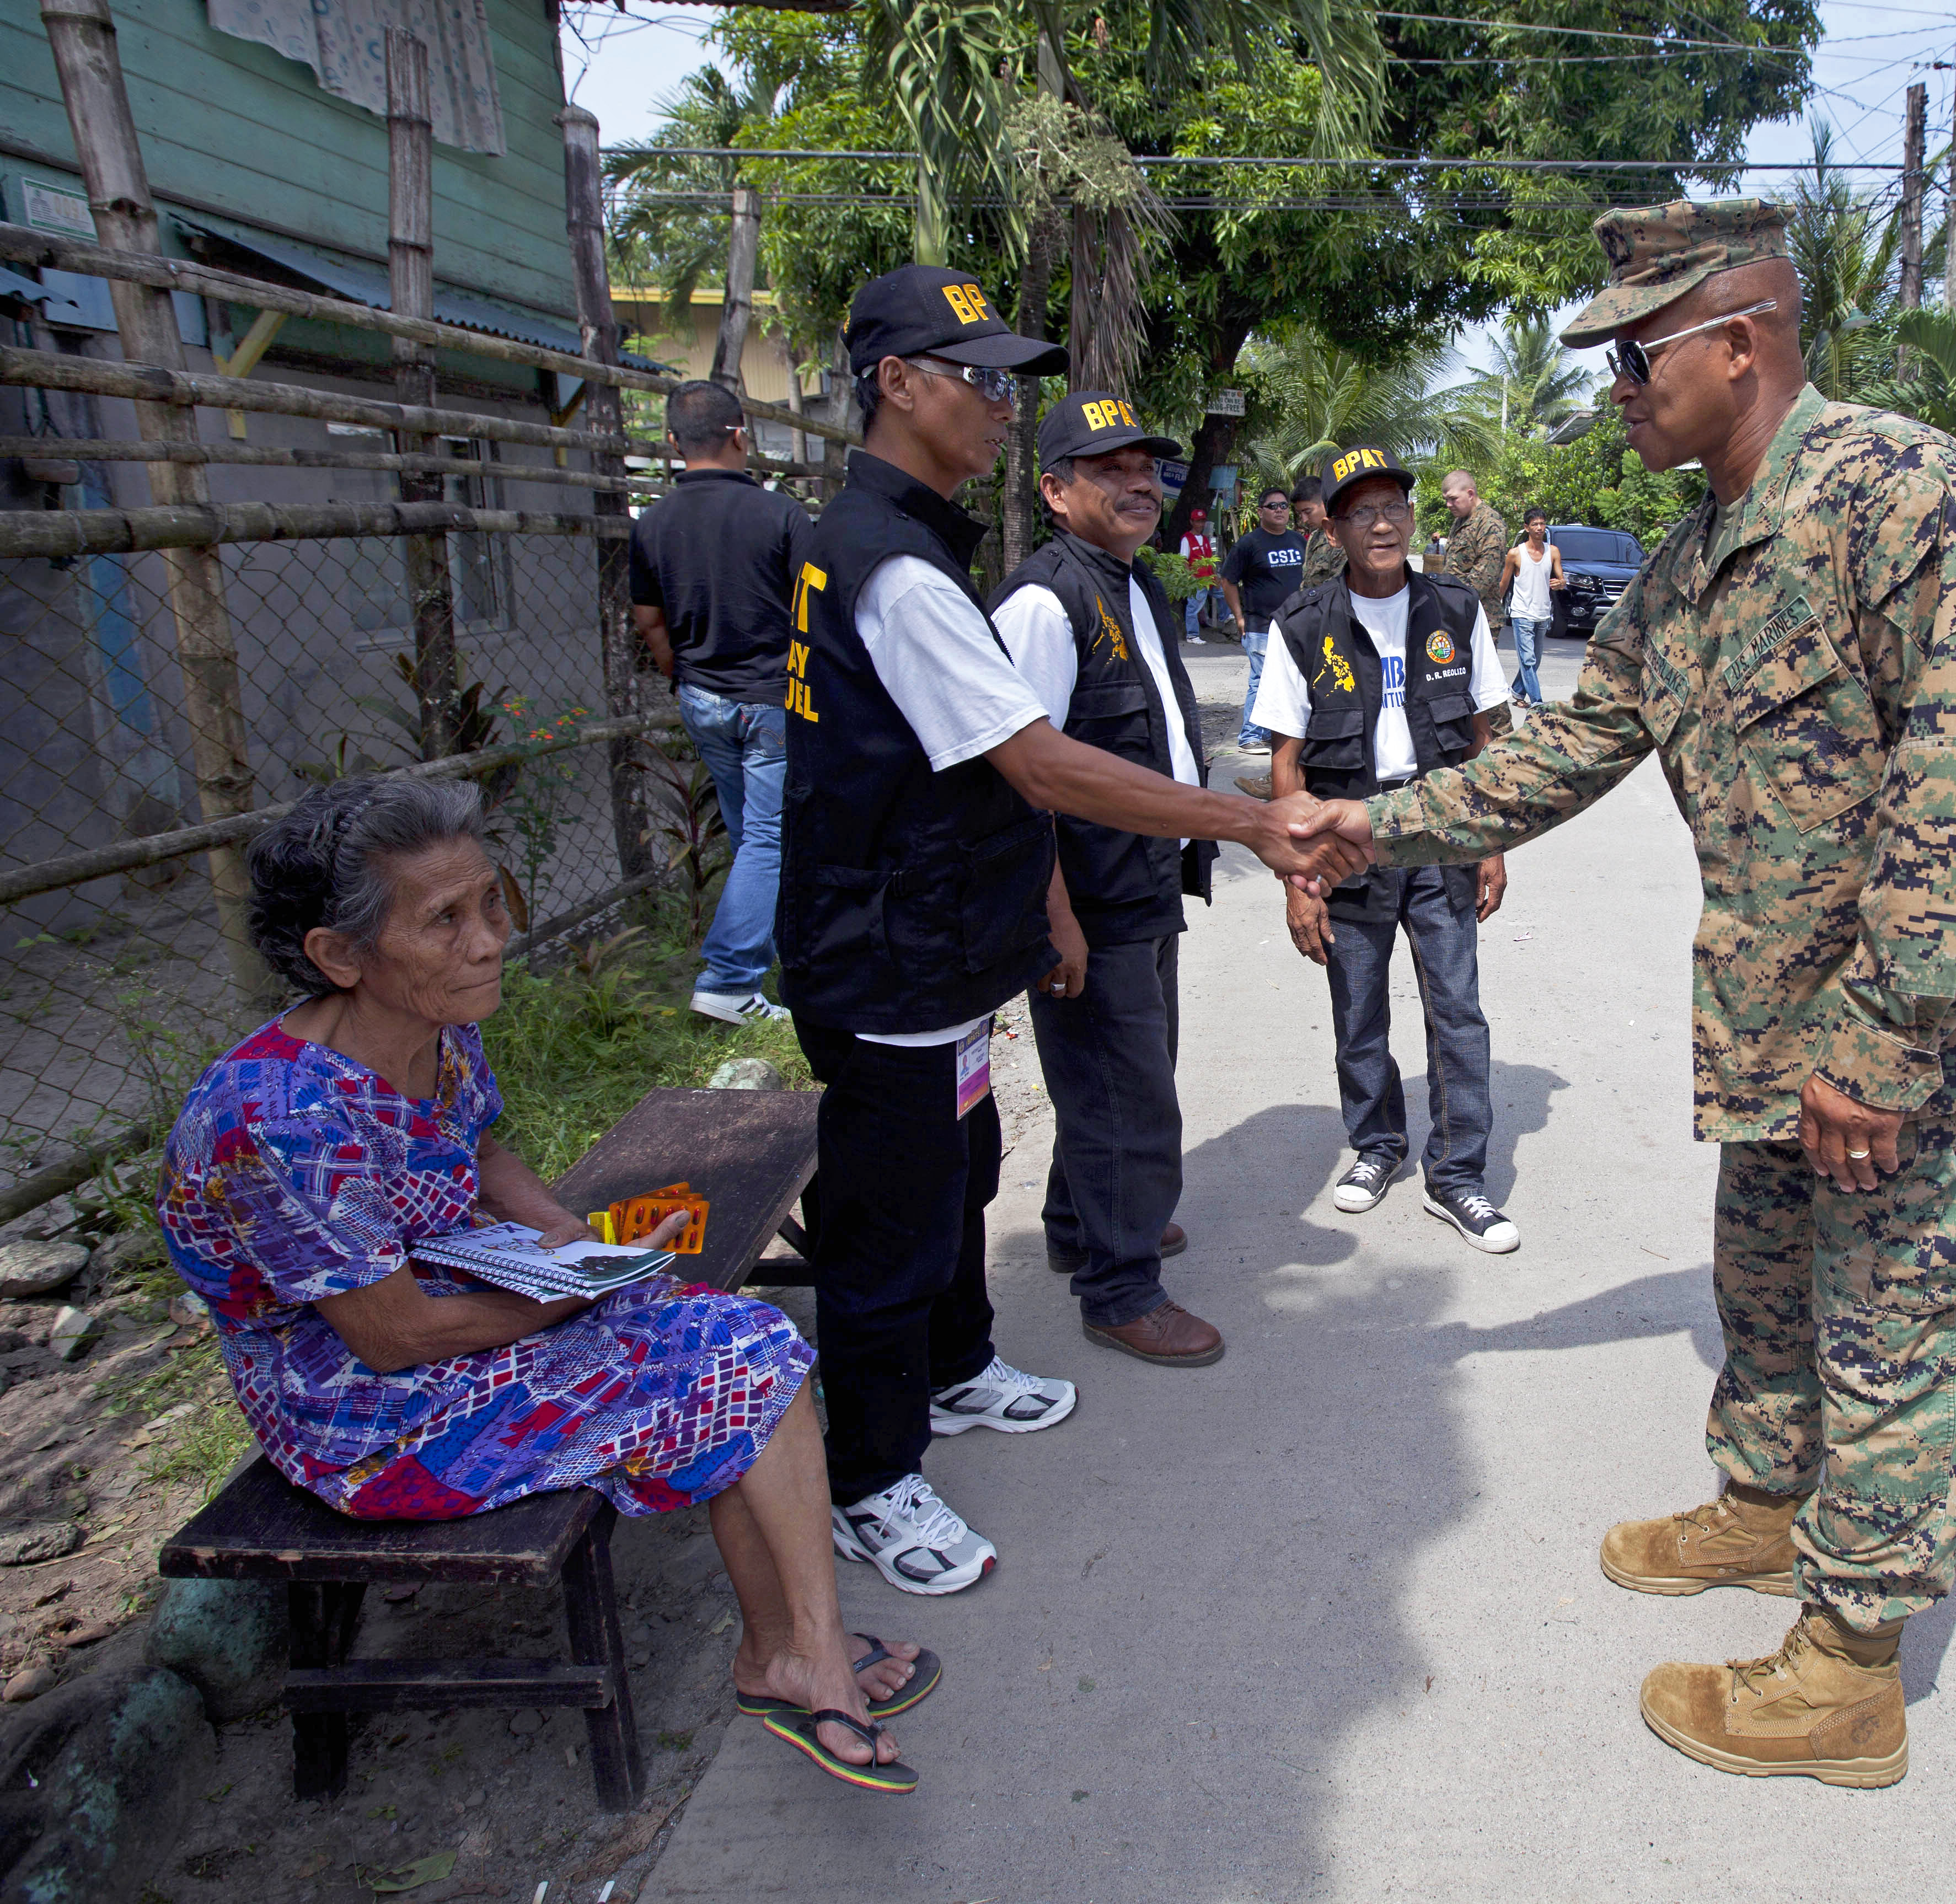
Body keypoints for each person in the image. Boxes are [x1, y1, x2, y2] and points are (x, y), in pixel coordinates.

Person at [1294, 199, 1956, 1787]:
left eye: (1634, 357)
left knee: (1897, 1338)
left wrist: (1877, 1035)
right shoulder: (1692, 554)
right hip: (1782, 1033)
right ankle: (1763, 1506)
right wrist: (1367, 821)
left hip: (1916, 1044)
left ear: (1742, 338)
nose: (1612, 391)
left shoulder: (1910, 494)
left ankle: (1847, 1670)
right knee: (1771, 1299)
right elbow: (1567, 748)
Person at [156, 778, 934, 1793]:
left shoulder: (431, 1019)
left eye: (490, 902)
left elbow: (478, 1142)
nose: (488, 939)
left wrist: (567, 1237)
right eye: (445, 919)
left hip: (442, 1311)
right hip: (361, 1414)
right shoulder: (276, 1119)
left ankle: (788, 1647)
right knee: (742, 1347)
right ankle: (799, 1655)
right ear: (339, 955)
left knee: (727, 1333)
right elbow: (394, 1338)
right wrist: (568, 1294)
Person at [776, 266, 1365, 1597]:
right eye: (976, 379)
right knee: (889, 1226)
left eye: (1005, 381)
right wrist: (1253, 825)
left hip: (931, 951)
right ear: (898, 384)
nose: (998, 404)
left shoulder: (895, 543)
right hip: (889, 960)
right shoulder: (901, 571)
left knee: (964, 1161)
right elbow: (1038, 766)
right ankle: (870, 1477)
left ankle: (959, 1363)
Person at [992, 392, 1223, 1367]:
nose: (1138, 483)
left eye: (1146, 467)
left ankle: (1076, 1220)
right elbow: (1018, 782)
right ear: (1054, 490)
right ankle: (1119, 1284)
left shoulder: (1134, 584)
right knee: (1128, 1095)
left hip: (1142, 882)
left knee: (1116, 1075)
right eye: (1108, 468)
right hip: (1086, 897)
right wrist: (1056, 923)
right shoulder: (1045, 602)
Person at [1251, 445, 1518, 1249]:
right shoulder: (1302, 625)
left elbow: (1483, 736)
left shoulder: (1454, 606)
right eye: (1361, 511)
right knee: (1357, 1010)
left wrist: (1493, 843)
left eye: (1394, 507)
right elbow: (1285, 765)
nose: (1382, 523)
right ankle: (1375, 1145)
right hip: (1347, 845)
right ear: (1331, 530)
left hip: (1439, 834)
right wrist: (1299, 878)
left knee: (1457, 1011)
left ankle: (1458, 1175)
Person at [630, 379, 810, 1026]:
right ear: (742, 434)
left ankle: (783, 973)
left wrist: (683, 675)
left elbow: (650, 622)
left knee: (752, 840)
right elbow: (815, 613)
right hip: (772, 700)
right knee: (769, 837)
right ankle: (730, 978)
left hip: (701, 696)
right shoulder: (780, 515)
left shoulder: (651, 523)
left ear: (674, 443)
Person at [1219, 486, 1306, 756]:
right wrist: (1240, 617)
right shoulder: (1249, 544)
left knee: (1290, 681)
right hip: (1261, 626)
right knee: (1262, 680)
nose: (1279, 510)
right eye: (1273, 506)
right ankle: (1250, 736)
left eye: (1283, 506)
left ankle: (1272, 733)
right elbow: (1228, 580)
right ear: (1260, 512)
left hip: (1296, 625)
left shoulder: (1299, 541)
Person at [1497, 507, 1563, 708]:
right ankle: (1537, 702)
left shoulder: (1553, 551)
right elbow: (1504, 584)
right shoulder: (1515, 554)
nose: (1539, 528)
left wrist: (1561, 583)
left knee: (1535, 661)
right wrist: (1493, 609)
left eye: (1542, 524)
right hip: (1522, 614)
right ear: (1527, 528)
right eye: (1535, 524)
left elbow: (1561, 579)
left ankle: (1517, 691)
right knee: (1528, 660)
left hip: (1543, 614)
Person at [1440, 469, 1508, 647]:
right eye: (1446, 500)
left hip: (1480, 618)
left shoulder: (1490, 523)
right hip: (1457, 614)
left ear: (1470, 494)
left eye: (1453, 499)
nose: (1448, 504)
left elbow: (1484, 576)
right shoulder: (1461, 520)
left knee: (1480, 675)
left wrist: (1453, 604)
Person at [1294, 475, 1345, 587]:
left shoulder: (1342, 536)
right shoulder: (1314, 536)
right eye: (1300, 514)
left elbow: (1337, 584)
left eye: (1308, 512)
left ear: (1324, 503)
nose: (1304, 520)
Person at [1178, 505, 1219, 642]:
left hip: (1209, 579)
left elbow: (1210, 560)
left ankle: (1228, 617)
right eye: (1198, 521)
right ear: (1192, 522)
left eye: (1202, 521)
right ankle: (1192, 635)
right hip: (1197, 580)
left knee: (1224, 595)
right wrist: (1191, 578)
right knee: (1194, 607)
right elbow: (1184, 560)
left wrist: (1216, 575)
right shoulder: (1187, 539)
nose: (1200, 524)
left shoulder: (1205, 540)